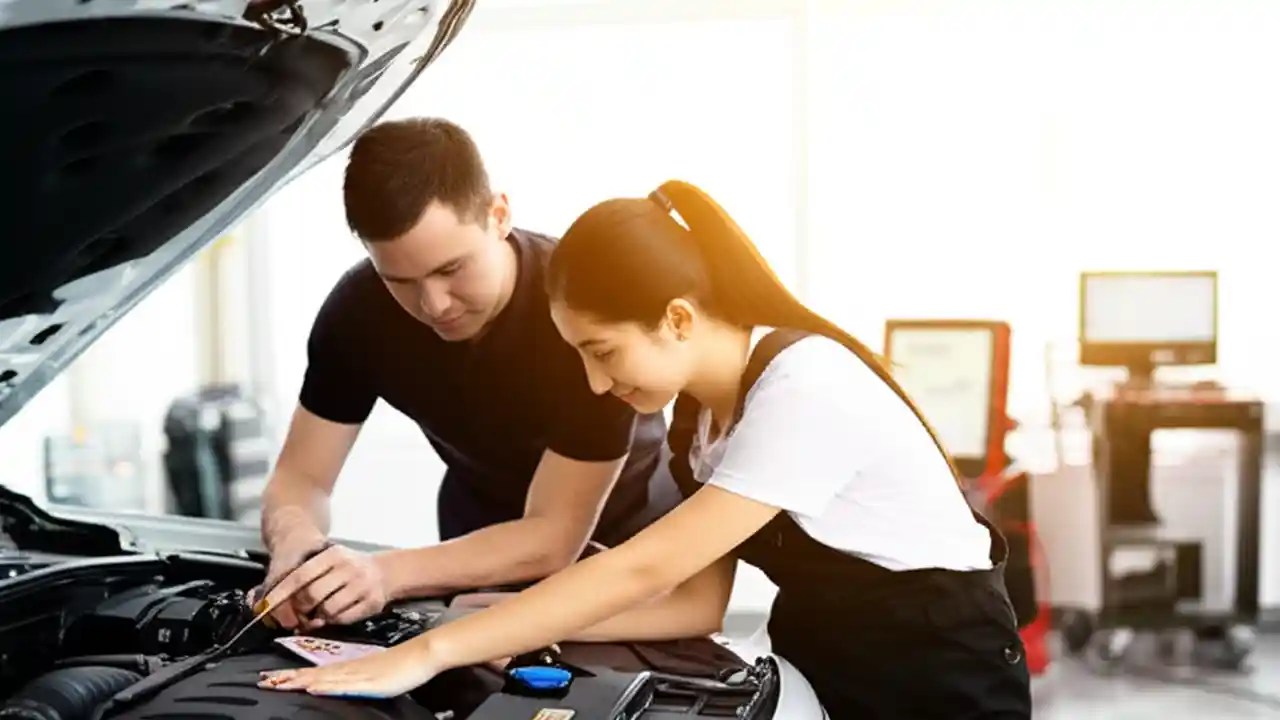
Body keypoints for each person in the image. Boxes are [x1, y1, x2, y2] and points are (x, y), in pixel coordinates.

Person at [258, 180, 1034, 718]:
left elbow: (646, 566)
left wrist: (427, 653)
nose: (597, 385)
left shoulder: (805, 388)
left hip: (938, 682)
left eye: (604, 352)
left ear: (677, 318)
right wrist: (518, 617)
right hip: (827, 666)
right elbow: (699, 600)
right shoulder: (701, 421)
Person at [254, 118, 672, 632]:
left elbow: (553, 535)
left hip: (625, 536)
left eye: (451, 269)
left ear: (498, 214)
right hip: (473, 531)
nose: (433, 305)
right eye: (400, 281)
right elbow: (301, 478)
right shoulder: (356, 314)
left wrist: (385, 574)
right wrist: (296, 544)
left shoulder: (578, 310)